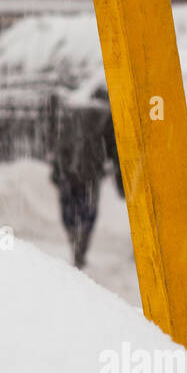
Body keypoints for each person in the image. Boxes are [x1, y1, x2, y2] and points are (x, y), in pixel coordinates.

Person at [50, 87, 122, 268]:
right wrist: (116, 168)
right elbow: (113, 146)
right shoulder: (107, 116)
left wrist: (58, 170)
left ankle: (74, 240)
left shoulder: (75, 114)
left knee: (68, 210)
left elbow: (61, 143)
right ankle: (80, 249)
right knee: (88, 213)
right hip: (90, 173)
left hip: (68, 171)